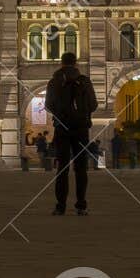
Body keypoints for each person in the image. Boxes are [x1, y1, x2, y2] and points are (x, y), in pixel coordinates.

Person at [45, 51, 98, 216]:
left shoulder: (54, 82)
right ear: (76, 64)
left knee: (62, 168)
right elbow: (93, 104)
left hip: (62, 129)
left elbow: (48, 104)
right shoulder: (85, 81)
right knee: (81, 169)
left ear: (61, 63)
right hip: (81, 129)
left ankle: (60, 206)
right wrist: (82, 114)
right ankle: (81, 205)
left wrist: (61, 115)